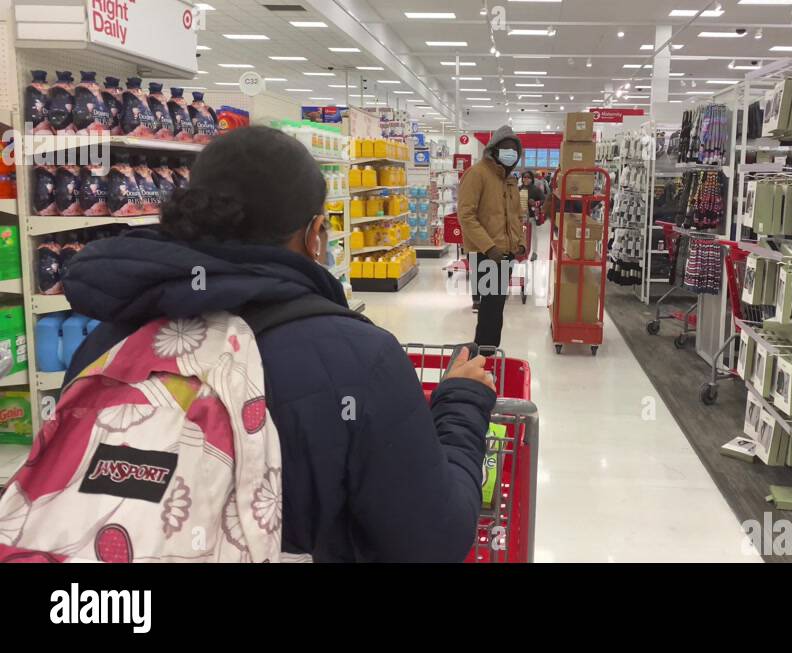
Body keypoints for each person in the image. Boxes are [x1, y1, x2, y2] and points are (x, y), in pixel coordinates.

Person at [62, 126, 496, 563]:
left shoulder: (105, 342)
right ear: (314, 234)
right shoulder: (361, 360)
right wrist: (462, 402)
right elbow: (432, 543)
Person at [458, 125, 527, 346]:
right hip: (484, 253)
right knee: (490, 308)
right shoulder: (477, 174)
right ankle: (484, 355)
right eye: (506, 149)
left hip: (505, 253)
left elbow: (516, 216)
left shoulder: (509, 180)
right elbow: (466, 215)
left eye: (514, 151)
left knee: (495, 308)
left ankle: (486, 354)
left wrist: (521, 243)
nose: (511, 154)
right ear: (494, 150)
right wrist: (490, 248)